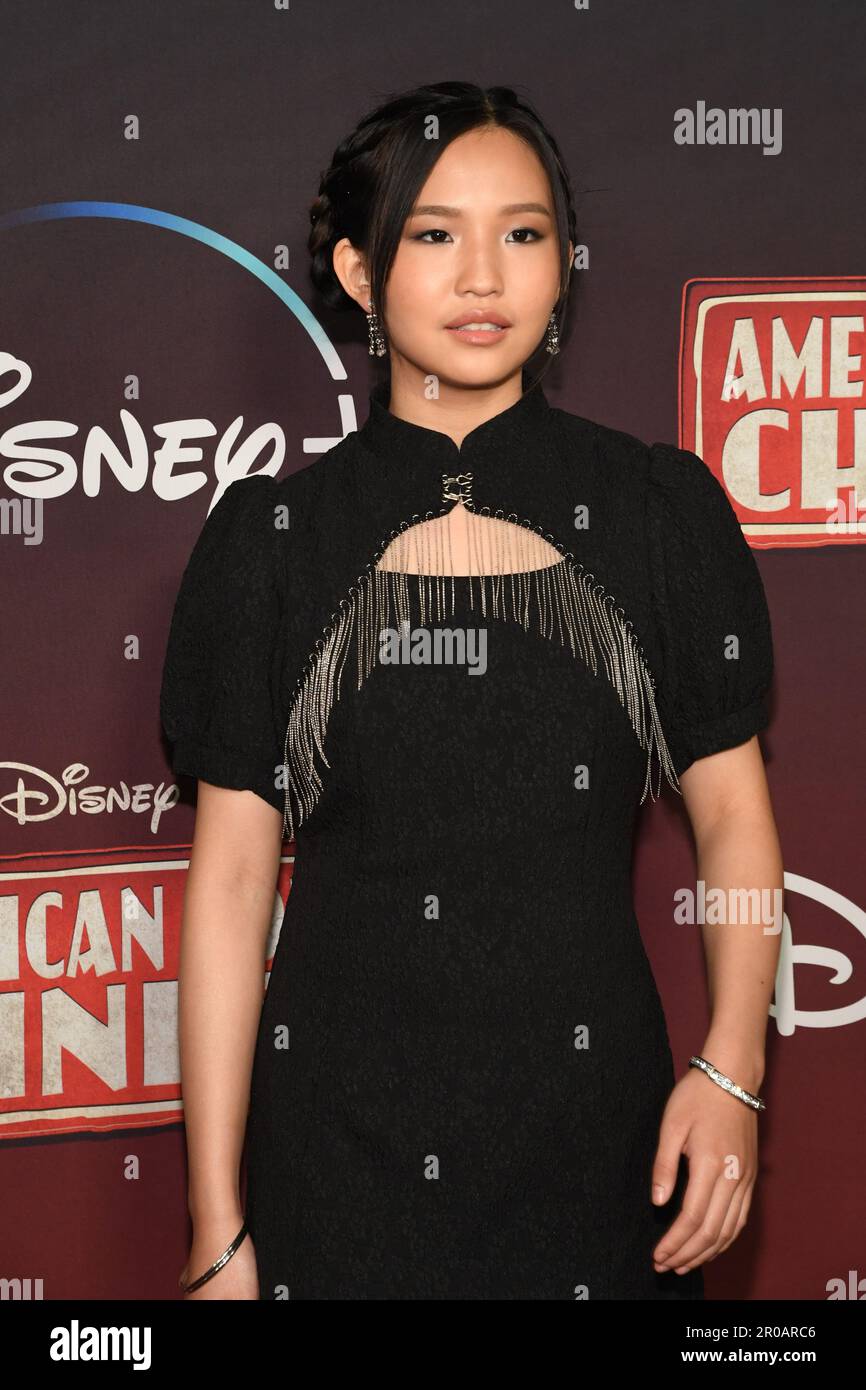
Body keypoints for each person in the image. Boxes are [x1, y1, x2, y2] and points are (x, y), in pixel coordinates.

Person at [161, 82, 782, 1301]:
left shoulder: (655, 511)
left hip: (603, 1150)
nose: (483, 275)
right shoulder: (272, 540)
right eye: (435, 234)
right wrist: (216, 1222)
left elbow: (734, 822)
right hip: (333, 1155)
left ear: (562, 265)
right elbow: (231, 886)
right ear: (356, 266)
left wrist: (729, 1068)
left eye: (524, 231)